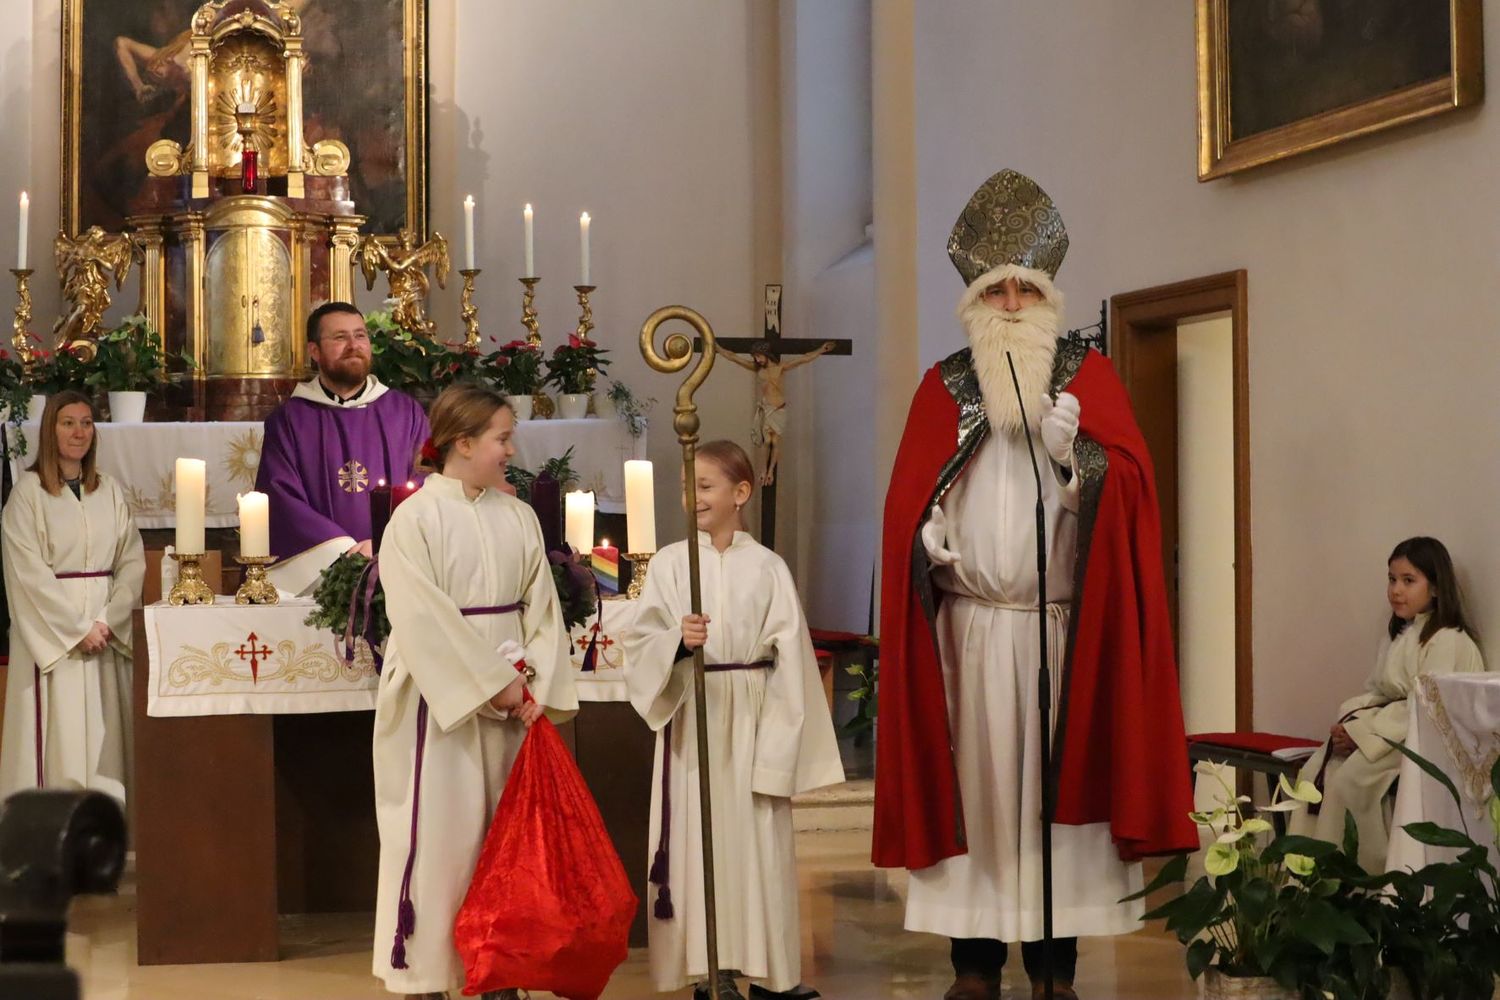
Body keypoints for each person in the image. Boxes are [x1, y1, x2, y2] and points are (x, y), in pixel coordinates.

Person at [876, 169, 1197, 1000]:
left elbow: (1132, 492)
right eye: (997, 289)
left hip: (1062, 633)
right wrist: (930, 535)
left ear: (1048, 297)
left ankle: (1055, 968)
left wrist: (1075, 458)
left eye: (1026, 288)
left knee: (1050, 805)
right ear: (975, 302)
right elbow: (911, 504)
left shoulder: (1087, 378)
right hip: (973, 635)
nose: (1012, 304)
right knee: (980, 805)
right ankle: (974, 967)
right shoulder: (944, 386)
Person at [371, 384, 576, 1000]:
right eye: (502, 438)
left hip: (512, 700)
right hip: (442, 707)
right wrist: (494, 686)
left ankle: (497, 971)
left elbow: (542, 609)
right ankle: (429, 974)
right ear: (462, 442)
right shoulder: (416, 518)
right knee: (442, 839)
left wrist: (533, 677)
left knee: (502, 840)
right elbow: (422, 619)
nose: (512, 449)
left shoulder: (516, 516)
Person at [623, 440, 844, 1000]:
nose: (691, 496)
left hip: (750, 717)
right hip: (693, 715)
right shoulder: (673, 563)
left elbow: (791, 664)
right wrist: (676, 642)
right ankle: (710, 969)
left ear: (741, 493)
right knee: (701, 845)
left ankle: (770, 973)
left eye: (705, 486)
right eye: (686, 486)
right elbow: (639, 641)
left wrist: (777, 750)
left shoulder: (767, 567)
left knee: (756, 848)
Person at [1289, 537, 1485, 873]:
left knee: (1350, 781)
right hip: (1392, 732)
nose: (1396, 590)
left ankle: (1365, 879)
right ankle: (1308, 881)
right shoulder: (1401, 635)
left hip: (1425, 743)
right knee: (1316, 773)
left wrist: (1363, 736)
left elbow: (1430, 711)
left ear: (1436, 588)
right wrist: (1350, 723)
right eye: (1392, 579)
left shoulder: (1448, 640)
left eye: (1409, 581)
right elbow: (1379, 692)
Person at [0, 390, 144, 806]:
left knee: (105, 738)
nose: (79, 432)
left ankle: (107, 838)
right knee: (57, 739)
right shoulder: (28, 494)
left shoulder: (109, 490)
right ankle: (48, 845)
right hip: (53, 636)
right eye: (68, 423)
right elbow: (27, 573)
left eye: (86, 423)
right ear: (51, 430)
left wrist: (107, 620)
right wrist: (77, 630)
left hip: (104, 631)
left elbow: (131, 560)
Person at [256, 301, 429, 595]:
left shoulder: (406, 413)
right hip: (322, 576)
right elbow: (280, 496)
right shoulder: (289, 421)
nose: (354, 345)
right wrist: (344, 551)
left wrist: (387, 543)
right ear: (314, 351)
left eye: (360, 335)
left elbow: (430, 482)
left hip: (399, 564)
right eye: (340, 338)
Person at [718, 340, 836, 485]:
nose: (757, 360)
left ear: (767, 354)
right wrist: (716, 347)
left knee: (775, 441)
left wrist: (820, 350)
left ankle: (770, 471)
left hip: (779, 409)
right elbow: (733, 357)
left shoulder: (781, 368)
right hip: (767, 409)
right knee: (767, 441)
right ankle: (763, 470)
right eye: (755, 357)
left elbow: (803, 359)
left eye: (759, 356)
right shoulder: (758, 370)